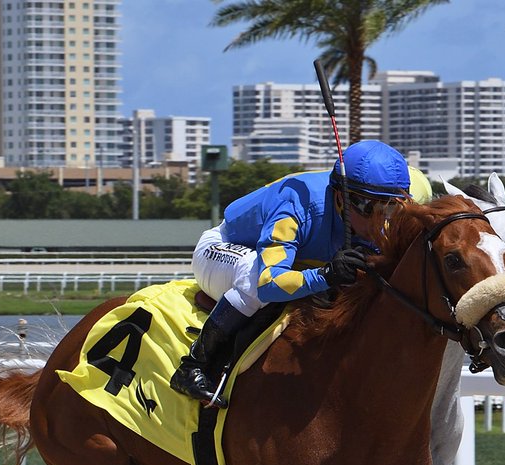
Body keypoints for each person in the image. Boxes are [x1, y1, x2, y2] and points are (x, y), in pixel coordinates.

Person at [172, 140, 412, 408]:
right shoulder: (297, 203)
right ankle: (194, 365)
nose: (382, 220)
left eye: (391, 207)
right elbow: (269, 283)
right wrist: (326, 275)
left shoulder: (369, 218)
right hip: (224, 251)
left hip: (295, 260)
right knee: (252, 277)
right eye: (370, 207)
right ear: (341, 198)